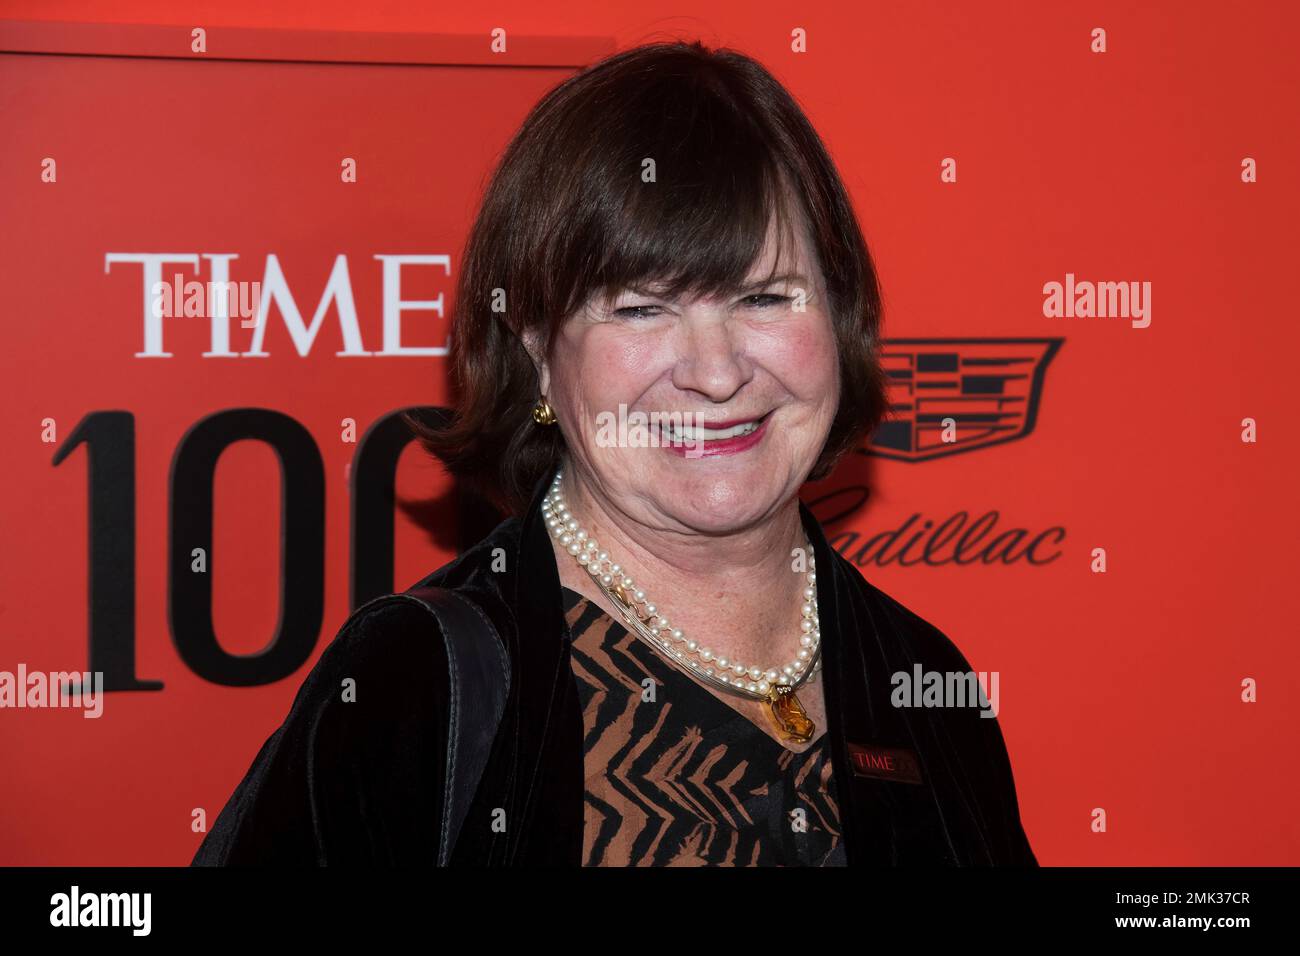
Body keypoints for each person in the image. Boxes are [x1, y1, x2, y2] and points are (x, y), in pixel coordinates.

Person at [192, 39, 1036, 866]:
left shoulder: (923, 680)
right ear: (535, 349)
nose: (716, 373)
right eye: (640, 309)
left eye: (764, 297)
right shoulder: (414, 688)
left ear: (840, 317)